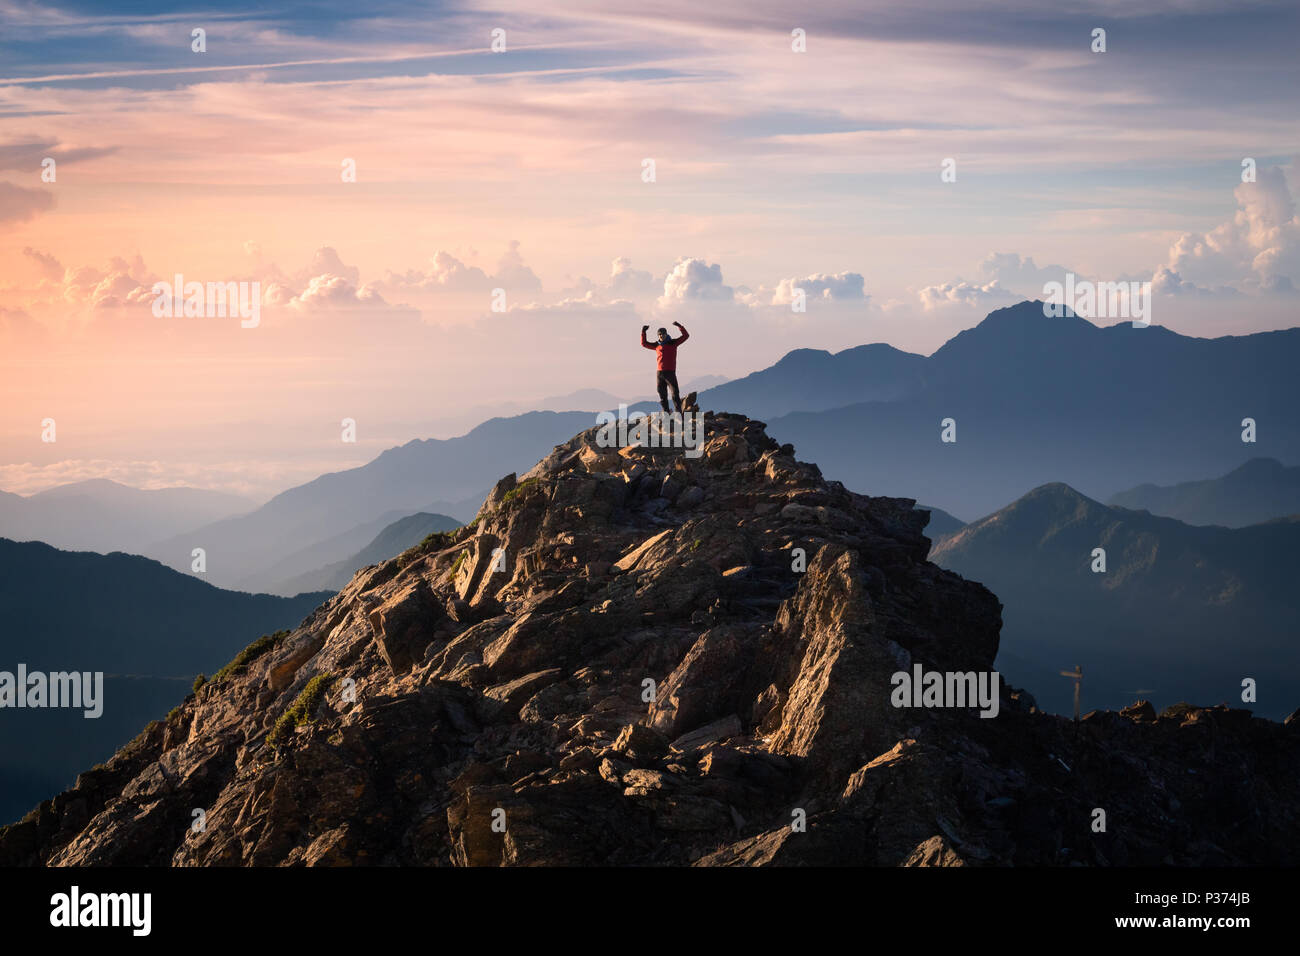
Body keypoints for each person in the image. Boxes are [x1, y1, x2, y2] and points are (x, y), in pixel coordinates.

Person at [641, 321, 689, 413]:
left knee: (675, 393)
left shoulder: (673, 343)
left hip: (670, 372)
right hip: (660, 373)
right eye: (659, 335)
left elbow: (686, 336)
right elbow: (644, 344)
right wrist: (643, 332)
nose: (661, 336)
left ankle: (678, 412)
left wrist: (680, 326)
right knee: (662, 395)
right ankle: (666, 412)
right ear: (658, 336)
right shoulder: (656, 345)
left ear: (666, 334)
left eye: (663, 334)